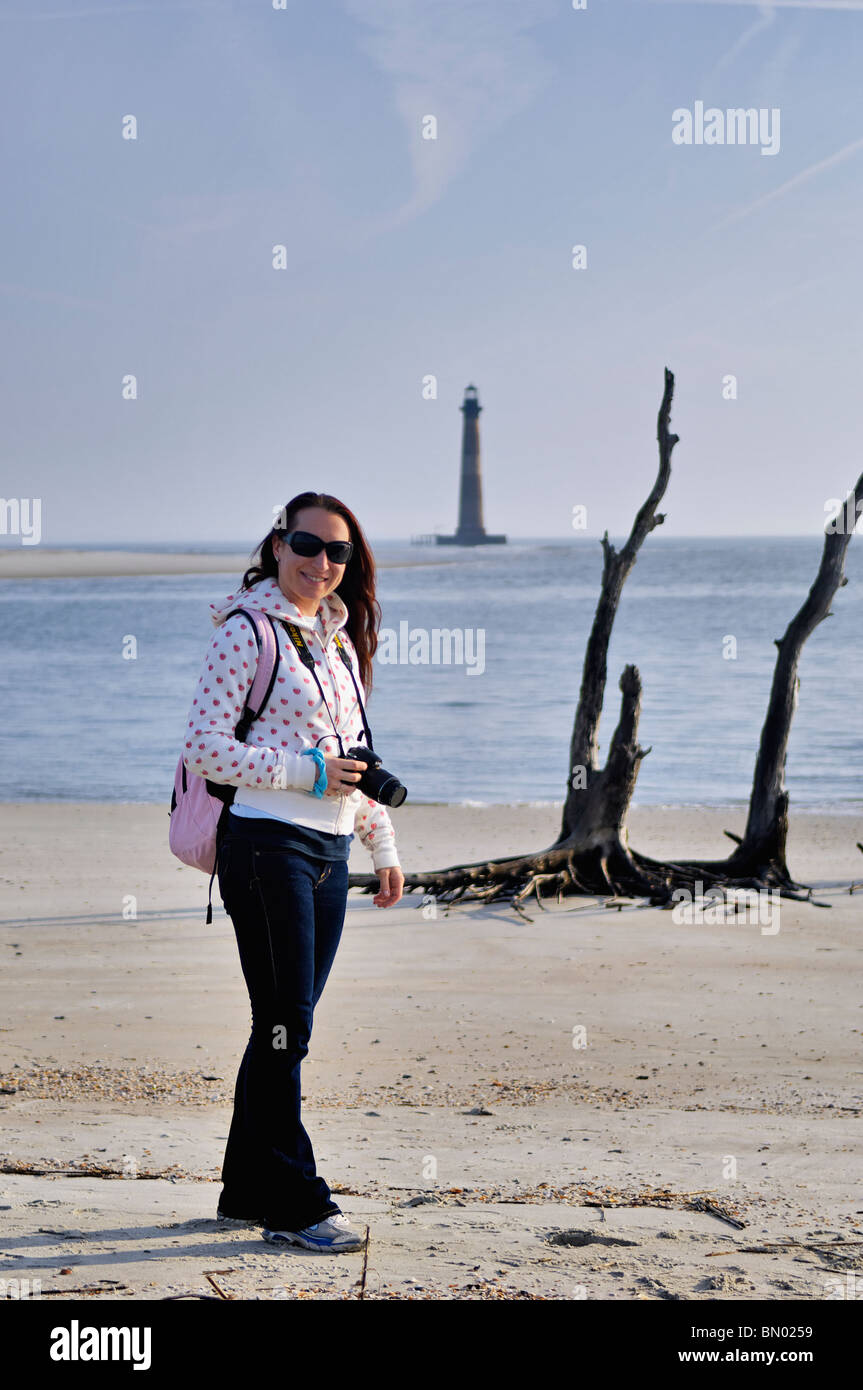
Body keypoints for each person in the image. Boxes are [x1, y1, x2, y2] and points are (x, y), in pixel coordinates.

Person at [181, 491, 404, 1253]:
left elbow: (354, 760)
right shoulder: (244, 631)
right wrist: (304, 772)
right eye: (308, 545)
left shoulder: (338, 641)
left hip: (330, 853)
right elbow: (205, 747)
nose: (321, 563)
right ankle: (296, 1202)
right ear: (278, 544)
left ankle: (246, 1188)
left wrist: (383, 846)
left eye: (338, 552)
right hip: (265, 844)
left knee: (279, 1027)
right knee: (288, 1026)